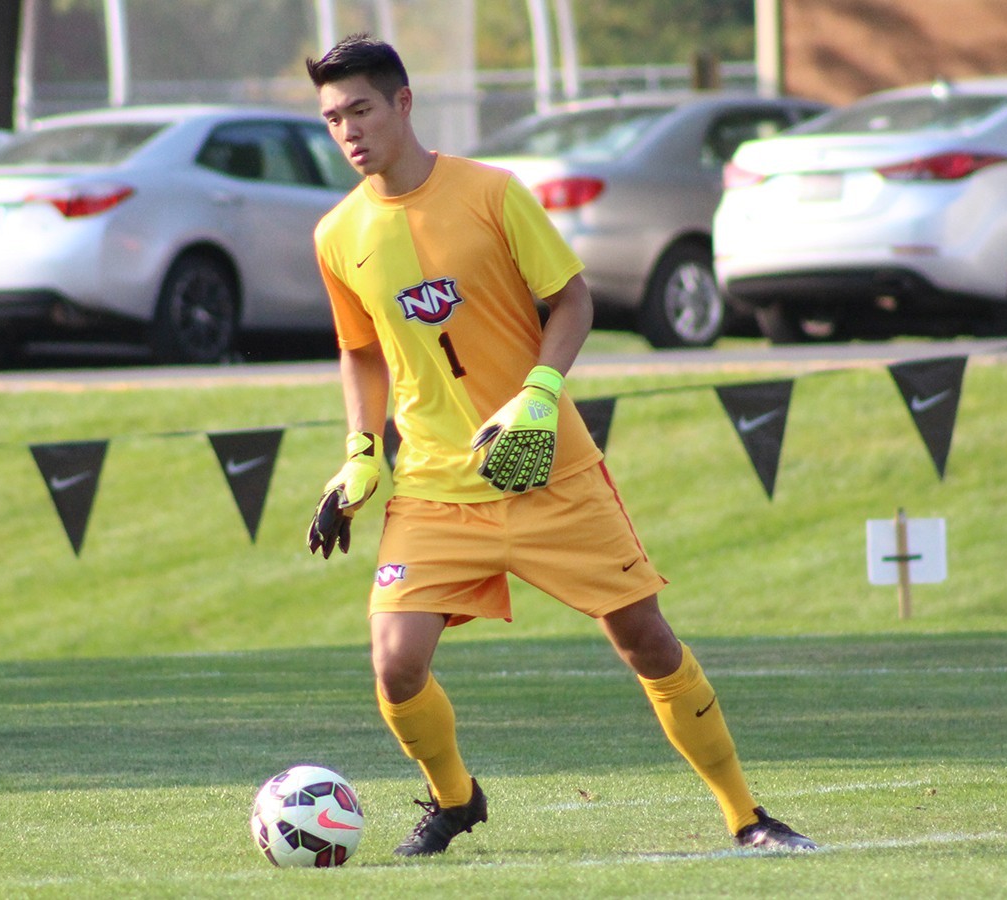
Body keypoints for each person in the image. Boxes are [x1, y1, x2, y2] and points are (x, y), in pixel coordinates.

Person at [304, 34, 814, 858]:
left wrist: (539, 396)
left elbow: (570, 300)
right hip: (435, 486)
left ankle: (747, 817)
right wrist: (363, 451)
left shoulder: (494, 193)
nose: (348, 130)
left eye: (360, 108)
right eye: (332, 119)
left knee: (645, 638)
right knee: (395, 663)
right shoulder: (337, 234)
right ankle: (455, 799)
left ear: (402, 103)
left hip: (549, 470)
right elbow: (359, 349)